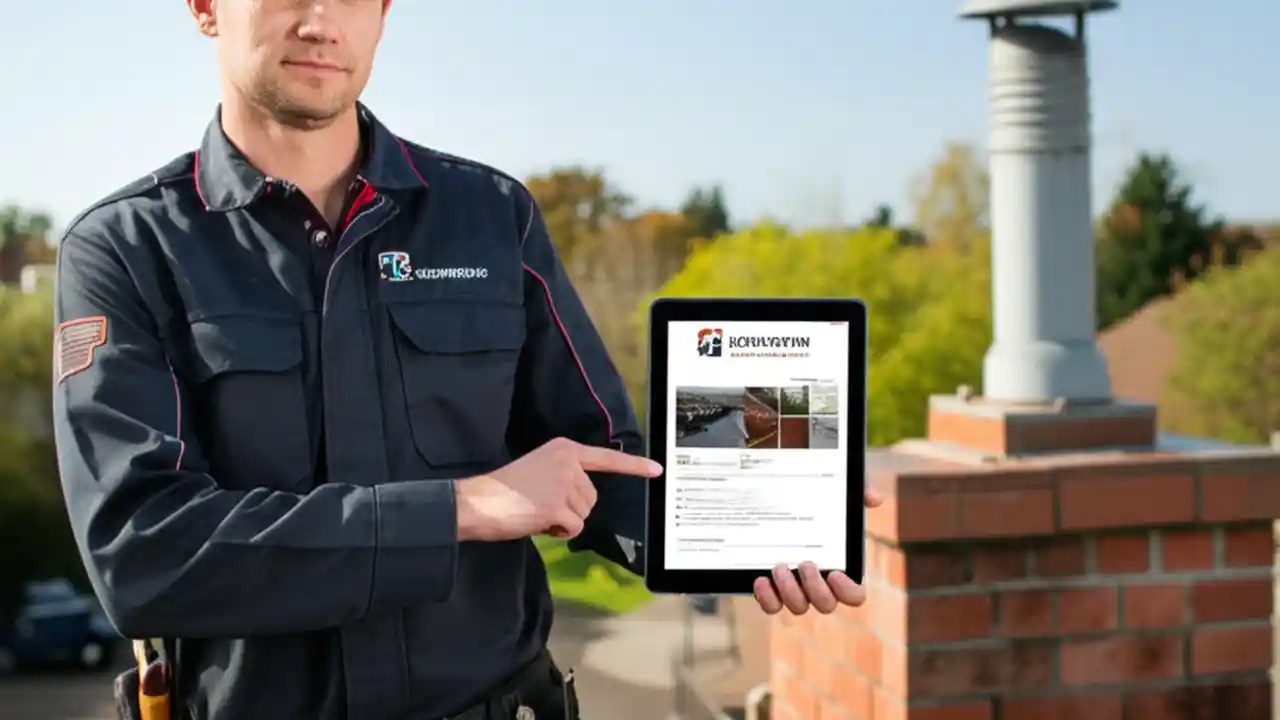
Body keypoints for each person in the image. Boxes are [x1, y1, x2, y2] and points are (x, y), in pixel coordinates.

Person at [50, 1, 883, 718]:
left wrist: (766, 518)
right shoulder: (124, 249)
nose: (320, 21)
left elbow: (600, 460)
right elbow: (143, 552)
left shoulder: (491, 214)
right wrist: (461, 508)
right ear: (204, 8)